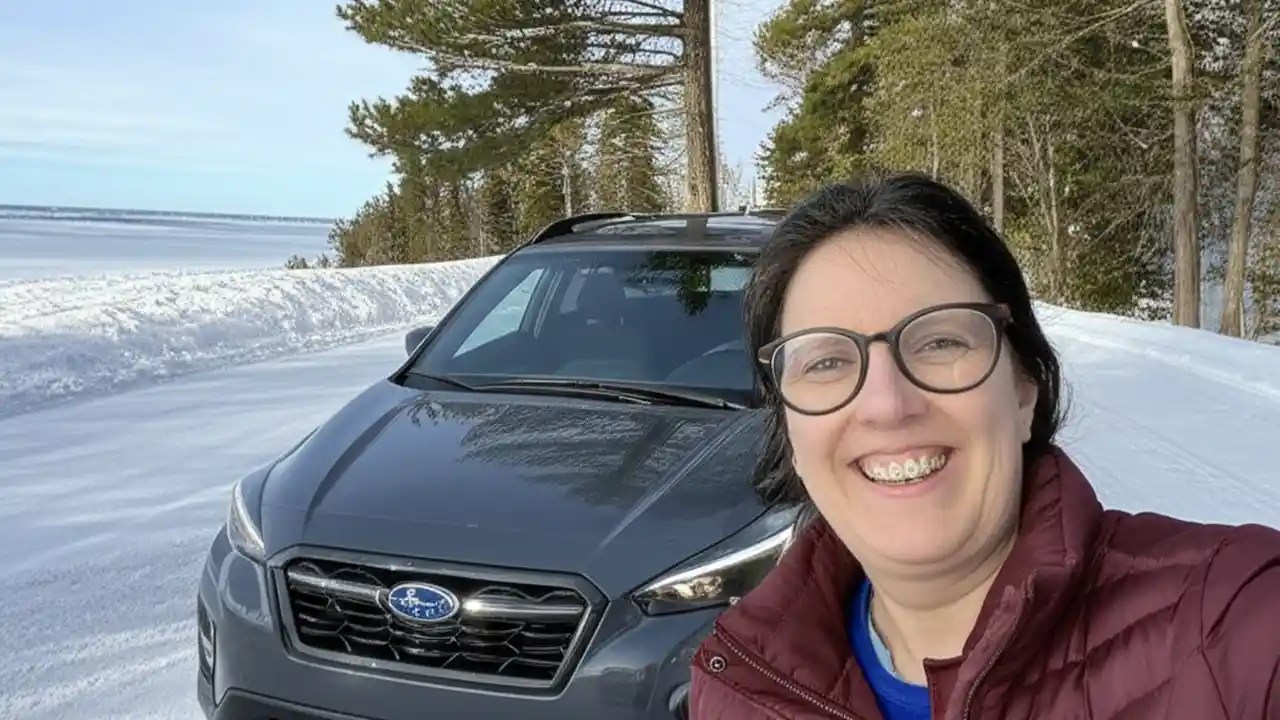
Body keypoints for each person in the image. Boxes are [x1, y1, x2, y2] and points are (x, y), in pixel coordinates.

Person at [689, 172, 1280, 719]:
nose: (887, 404)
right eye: (826, 361)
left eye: (940, 342)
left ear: (1024, 390)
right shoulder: (739, 684)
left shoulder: (1233, 618)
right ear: (791, 433)